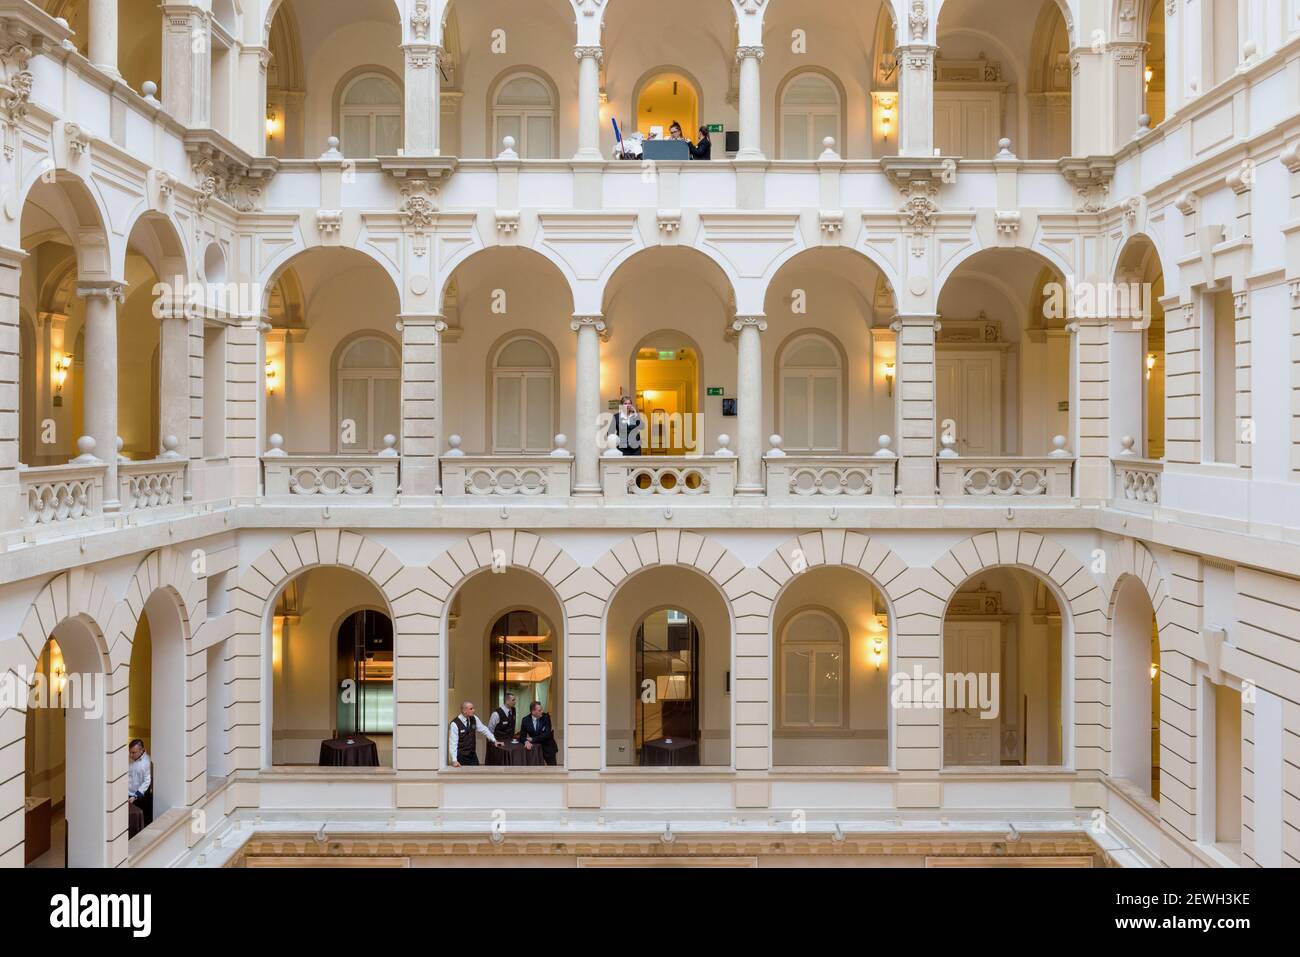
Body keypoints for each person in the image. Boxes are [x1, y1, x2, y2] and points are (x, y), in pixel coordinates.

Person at [448, 701, 501, 767]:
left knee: (476, 774)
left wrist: (494, 740)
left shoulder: (474, 718)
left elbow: (484, 729)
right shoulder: (455, 724)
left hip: (472, 755)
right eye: (471, 709)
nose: (474, 710)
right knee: (464, 777)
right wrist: (454, 760)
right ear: (464, 710)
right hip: (461, 757)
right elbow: (453, 743)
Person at [521, 700, 558, 766]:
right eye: (539, 710)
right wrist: (526, 742)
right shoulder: (525, 720)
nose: (542, 711)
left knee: (553, 770)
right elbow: (522, 736)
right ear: (533, 711)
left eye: (541, 709)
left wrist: (533, 739)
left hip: (548, 749)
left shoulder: (546, 717)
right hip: (535, 750)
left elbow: (547, 734)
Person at [127, 739, 153, 835]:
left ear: (142, 750)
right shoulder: (129, 758)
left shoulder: (147, 762)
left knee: (140, 822)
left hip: (140, 797)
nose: (131, 755)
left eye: (134, 752)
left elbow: (147, 781)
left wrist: (135, 796)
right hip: (128, 793)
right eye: (130, 752)